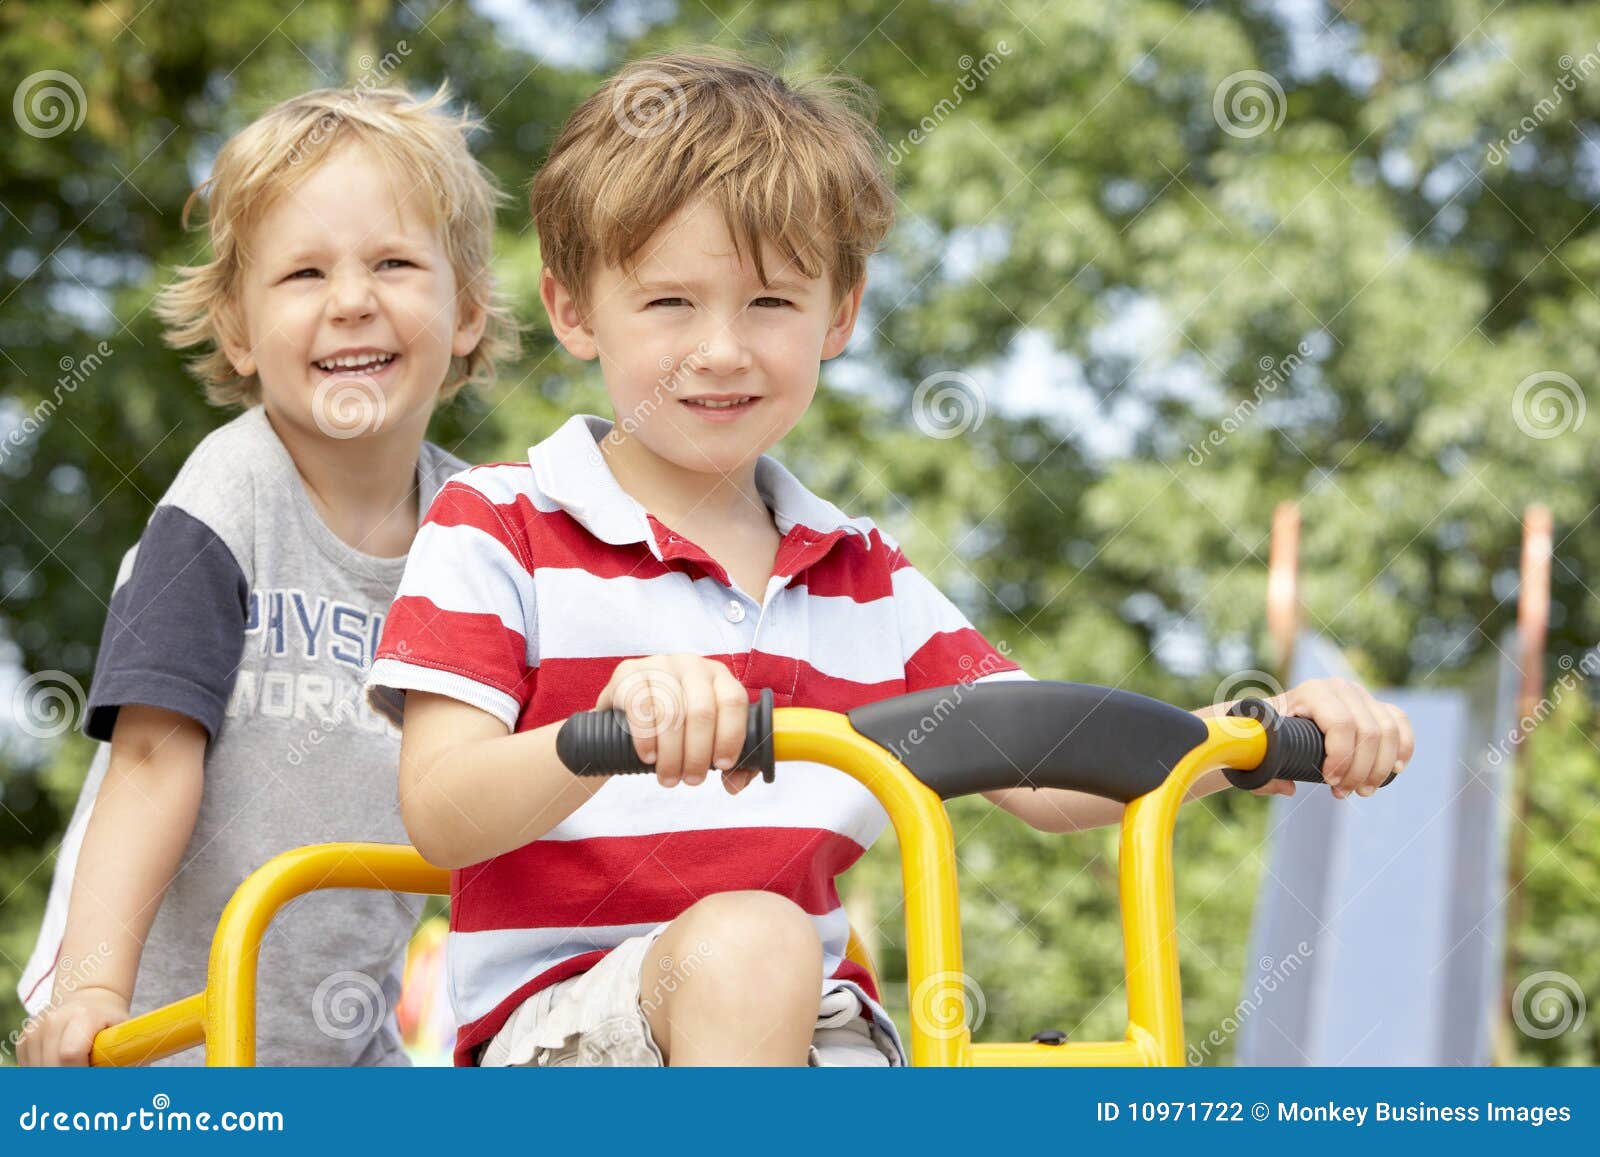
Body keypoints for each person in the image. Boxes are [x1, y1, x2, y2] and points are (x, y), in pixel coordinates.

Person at [366, 51, 1413, 1068]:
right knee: (755, 943)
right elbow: (443, 810)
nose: (722, 348)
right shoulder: (501, 521)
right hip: (569, 1040)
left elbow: (1046, 766)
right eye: (670, 302)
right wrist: (599, 737)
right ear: (573, 310)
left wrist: (1252, 735)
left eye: (771, 301)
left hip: (818, 1036)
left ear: (842, 311)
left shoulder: (861, 572)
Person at [15, 83, 516, 1066]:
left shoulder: (490, 532)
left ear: (465, 310)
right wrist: (91, 992)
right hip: (162, 1020)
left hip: (344, 1043)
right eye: (303, 273)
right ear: (239, 329)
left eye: (394, 263)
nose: (352, 299)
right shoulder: (228, 495)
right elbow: (154, 756)